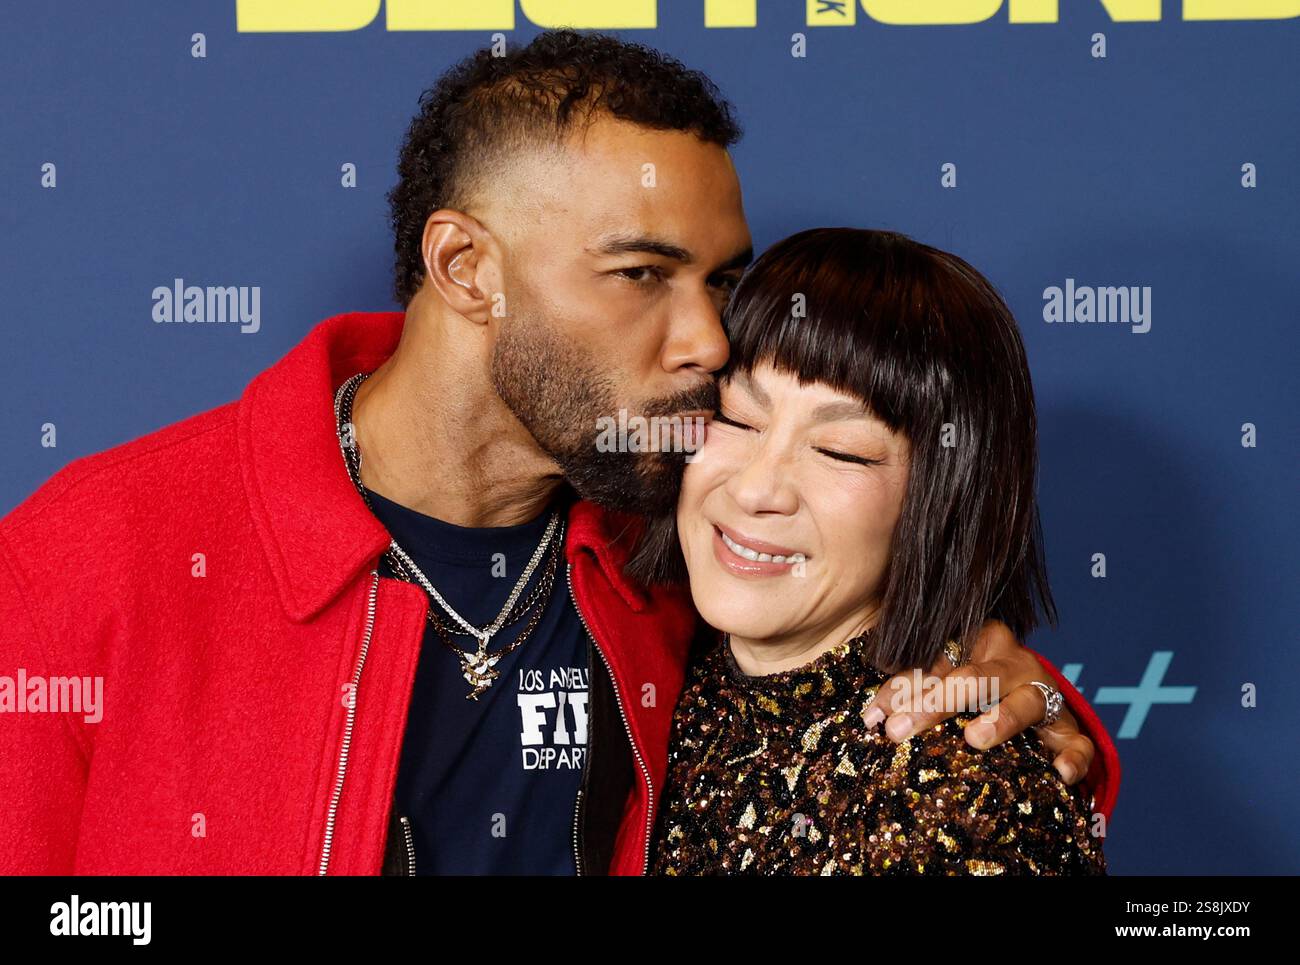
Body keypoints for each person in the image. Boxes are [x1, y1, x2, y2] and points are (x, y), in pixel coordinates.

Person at [0, 32, 1114, 877]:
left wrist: (1020, 695)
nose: (709, 342)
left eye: (720, 281)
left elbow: (859, 652)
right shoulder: (93, 550)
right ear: (466, 266)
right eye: (641, 274)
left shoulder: (684, 518)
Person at [652, 228, 1107, 874]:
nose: (756, 487)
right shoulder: (654, 676)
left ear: (941, 501)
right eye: (737, 418)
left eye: (840, 450)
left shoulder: (964, 802)